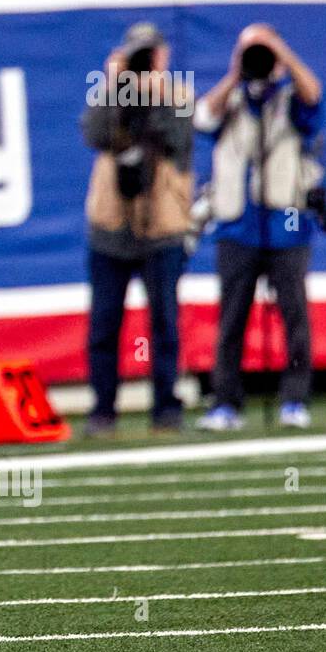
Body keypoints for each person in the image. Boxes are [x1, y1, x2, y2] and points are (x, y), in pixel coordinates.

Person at [194, 24, 324, 431]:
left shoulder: (289, 99)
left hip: (287, 224)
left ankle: (294, 400)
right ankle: (226, 403)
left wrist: (280, 53)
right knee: (231, 318)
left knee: (294, 316)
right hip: (237, 226)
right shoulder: (232, 100)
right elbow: (202, 118)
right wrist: (236, 71)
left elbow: (313, 96)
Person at [81, 23, 194, 434]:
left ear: (163, 57)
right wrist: (114, 84)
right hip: (111, 226)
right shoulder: (112, 92)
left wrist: (153, 90)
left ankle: (166, 408)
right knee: (104, 324)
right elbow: (93, 133)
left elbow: (178, 138)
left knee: (164, 323)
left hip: (161, 227)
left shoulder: (177, 94)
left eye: (150, 56)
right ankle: (102, 410)